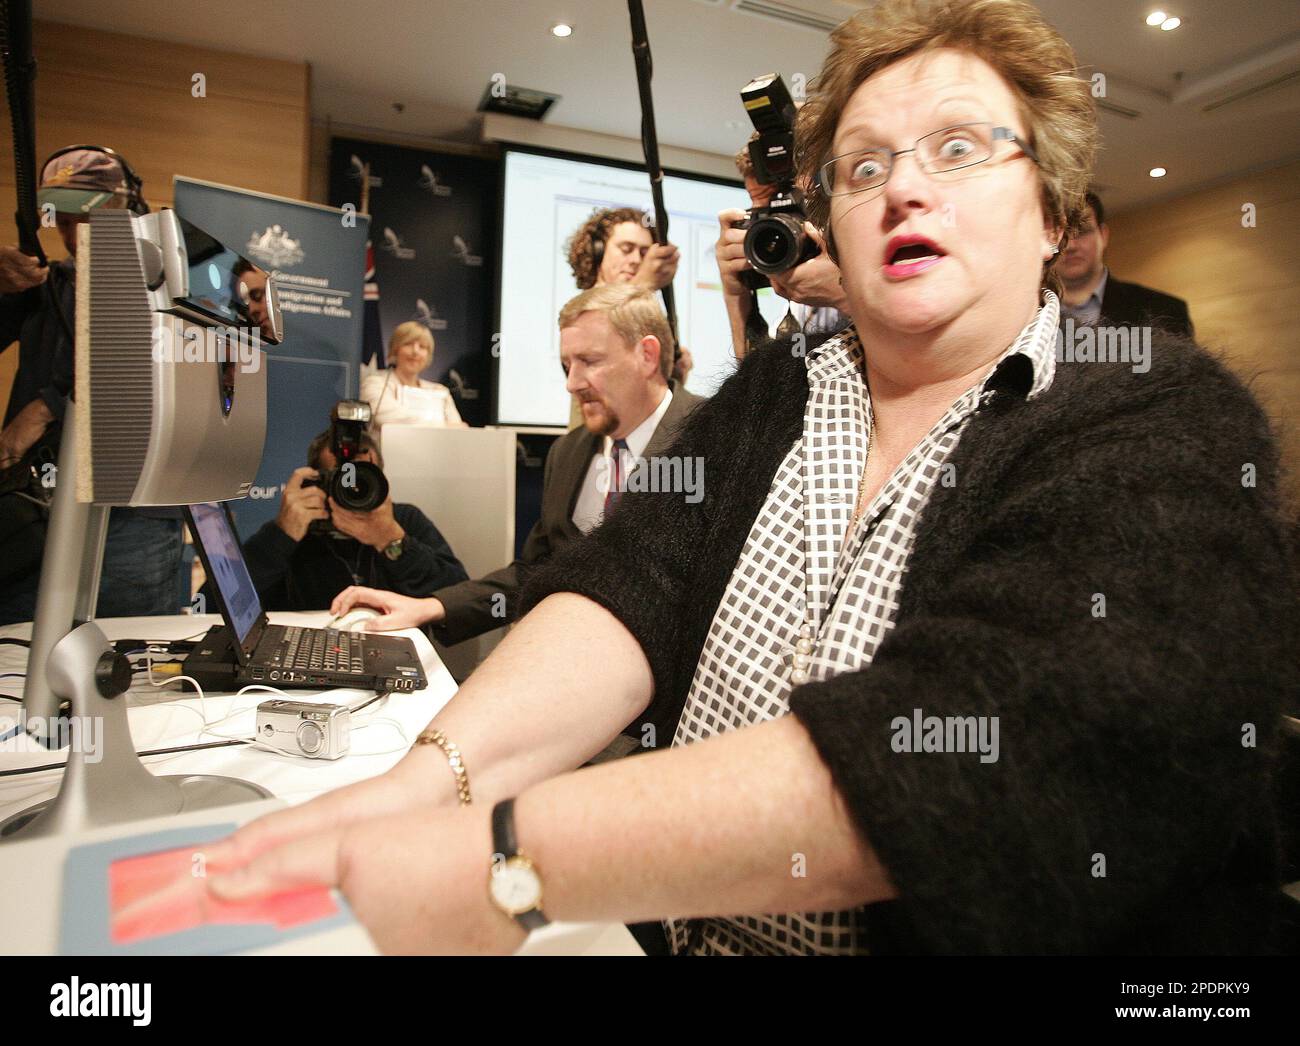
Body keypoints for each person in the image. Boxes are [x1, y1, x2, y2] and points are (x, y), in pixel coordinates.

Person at [203, 0, 1295, 956]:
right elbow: (625, 589)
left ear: (1053, 212)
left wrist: (508, 862)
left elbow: (993, 733)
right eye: (863, 167)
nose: (903, 187)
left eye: (957, 148)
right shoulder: (781, 388)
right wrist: (418, 786)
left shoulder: (1158, 413)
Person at [329, 284, 704, 652]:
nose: (572, 383)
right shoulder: (568, 453)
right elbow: (538, 570)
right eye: (566, 366)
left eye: (589, 361)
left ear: (647, 355)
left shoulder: (716, 438)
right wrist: (434, 606)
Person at [0, 147, 185, 625]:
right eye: (61, 217)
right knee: (19, 657)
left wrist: (43, 409)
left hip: (131, 512)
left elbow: (149, 368)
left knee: (128, 655)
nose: (71, 231)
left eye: (87, 215)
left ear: (129, 210)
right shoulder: (43, 284)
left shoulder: (166, 283)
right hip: (36, 505)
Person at [231, 428, 466, 611]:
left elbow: (456, 599)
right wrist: (280, 535)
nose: (353, 490)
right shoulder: (299, 529)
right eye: (341, 480)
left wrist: (392, 540)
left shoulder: (404, 519)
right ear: (319, 481)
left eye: (363, 480)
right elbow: (222, 605)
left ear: (380, 480)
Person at [715, 136, 851, 359]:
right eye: (767, 212)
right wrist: (736, 293)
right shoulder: (800, 294)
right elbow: (757, 386)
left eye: (794, 206)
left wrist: (845, 295)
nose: (780, 223)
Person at [565, 207, 690, 417]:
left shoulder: (645, 310)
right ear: (598, 252)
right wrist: (645, 284)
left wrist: (671, 373)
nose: (636, 260)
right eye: (626, 249)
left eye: (643, 252)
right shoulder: (578, 314)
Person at [1058, 189, 1194, 336]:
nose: (1070, 246)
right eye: (1059, 236)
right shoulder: (1031, 315)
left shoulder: (1166, 311)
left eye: (1082, 231)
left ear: (1103, 236)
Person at [360, 322, 465, 436]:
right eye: (408, 344)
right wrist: (445, 426)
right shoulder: (375, 384)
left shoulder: (440, 390)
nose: (415, 351)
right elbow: (391, 420)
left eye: (422, 347)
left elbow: (458, 433)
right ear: (395, 349)